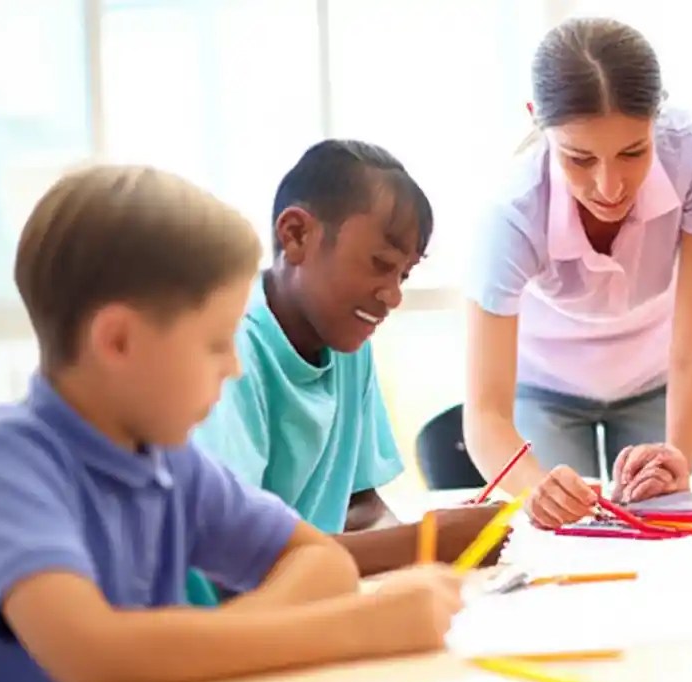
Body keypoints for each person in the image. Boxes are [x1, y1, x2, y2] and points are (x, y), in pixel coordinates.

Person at [0, 166, 463, 682]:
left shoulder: (172, 465)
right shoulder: (11, 464)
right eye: (216, 343)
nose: (234, 364)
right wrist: (356, 629)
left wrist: (201, 644)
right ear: (118, 341)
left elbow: (322, 562)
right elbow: (92, 657)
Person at [189, 140, 503, 606]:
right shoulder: (229, 353)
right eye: (380, 264)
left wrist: (437, 555)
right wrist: (427, 542)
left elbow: (361, 507)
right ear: (296, 236)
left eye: (404, 275)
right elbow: (234, 560)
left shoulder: (347, 345)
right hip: (232, 622)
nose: (393, 295)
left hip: (306, 602)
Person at [464, 17, 692, 528]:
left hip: (657, 373)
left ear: (657, 117)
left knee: (661, 522)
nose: (610, 185)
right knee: (563, 532)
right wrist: (535, 490)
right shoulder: (511, 213)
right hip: (545, 384)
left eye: (634, 152)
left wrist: (678, 456)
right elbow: (484, 414)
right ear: (536, 122)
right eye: (579, 158)